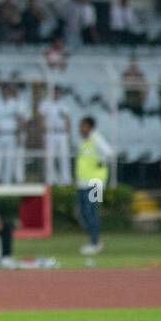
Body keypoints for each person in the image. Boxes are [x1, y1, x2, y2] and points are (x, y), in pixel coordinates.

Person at [75, 115, 113, 255]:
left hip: (96, 181)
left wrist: (101, 163)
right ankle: (93, 240)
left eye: (83, 126)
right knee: (83, 212)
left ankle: (94, 242)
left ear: (90, 127)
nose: (80, 129)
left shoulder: (96, 139)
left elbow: (109, 153)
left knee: (91, 211)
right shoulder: (83, 142)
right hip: (83, 182)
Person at [39, 84, 72, 184]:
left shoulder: (63, 103)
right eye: (55, 92)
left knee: (64, 157)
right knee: (50, 157)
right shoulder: (45, 103)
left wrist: (68, 132)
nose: (56, 94)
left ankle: (66, 180)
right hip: (50, 132)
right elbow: (41, 117)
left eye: (58, 92)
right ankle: (50, 179)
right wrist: (43, 130)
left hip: (61, 133)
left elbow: (67, 118)